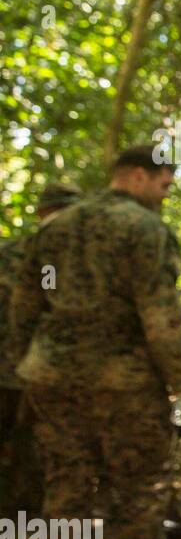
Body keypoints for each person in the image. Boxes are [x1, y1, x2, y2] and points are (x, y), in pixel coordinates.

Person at [9, 145, 181, 539]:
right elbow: (159, 316)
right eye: (162, 185)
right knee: (139, 486)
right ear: (138, 177)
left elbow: (24, 307)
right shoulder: (143, 230)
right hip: (125, 384)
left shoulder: (55, 229)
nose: (164, 195)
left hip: (54, 380)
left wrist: (31, 364)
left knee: (66, 489)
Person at [0, 181, 82, 518]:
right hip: (18, 368)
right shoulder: (34, 256)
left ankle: (27, 517)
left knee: (40, 445)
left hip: (46, 370)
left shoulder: (74, 261)